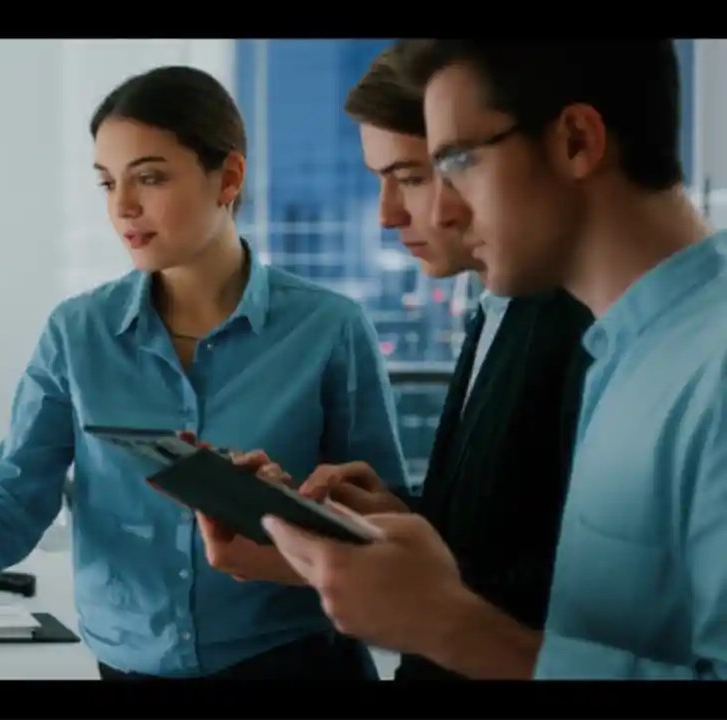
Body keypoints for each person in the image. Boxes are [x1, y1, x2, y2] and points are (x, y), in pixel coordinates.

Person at [0, 65, 408, 681]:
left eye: (149, 177)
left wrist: (289, 510)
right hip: (126, 672)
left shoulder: (327, 330)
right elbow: (7, 508)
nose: (121, 206)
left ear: (228, 177)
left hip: (295, 669)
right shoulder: (78, 333)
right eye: (106, 181)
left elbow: (387, 528)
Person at [261, 39, 727, 680]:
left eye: (456, 162)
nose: (442, 212)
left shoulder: (710, 368)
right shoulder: (623, 350)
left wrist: (449, 624)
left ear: (575, 142)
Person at [198, 46, 594, 682]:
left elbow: (570, 595)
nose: (388, 215)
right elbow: (508, 531)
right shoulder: (498, 307)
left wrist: (370, 563)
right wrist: (396, 520)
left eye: (411, 176)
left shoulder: (580, 327)